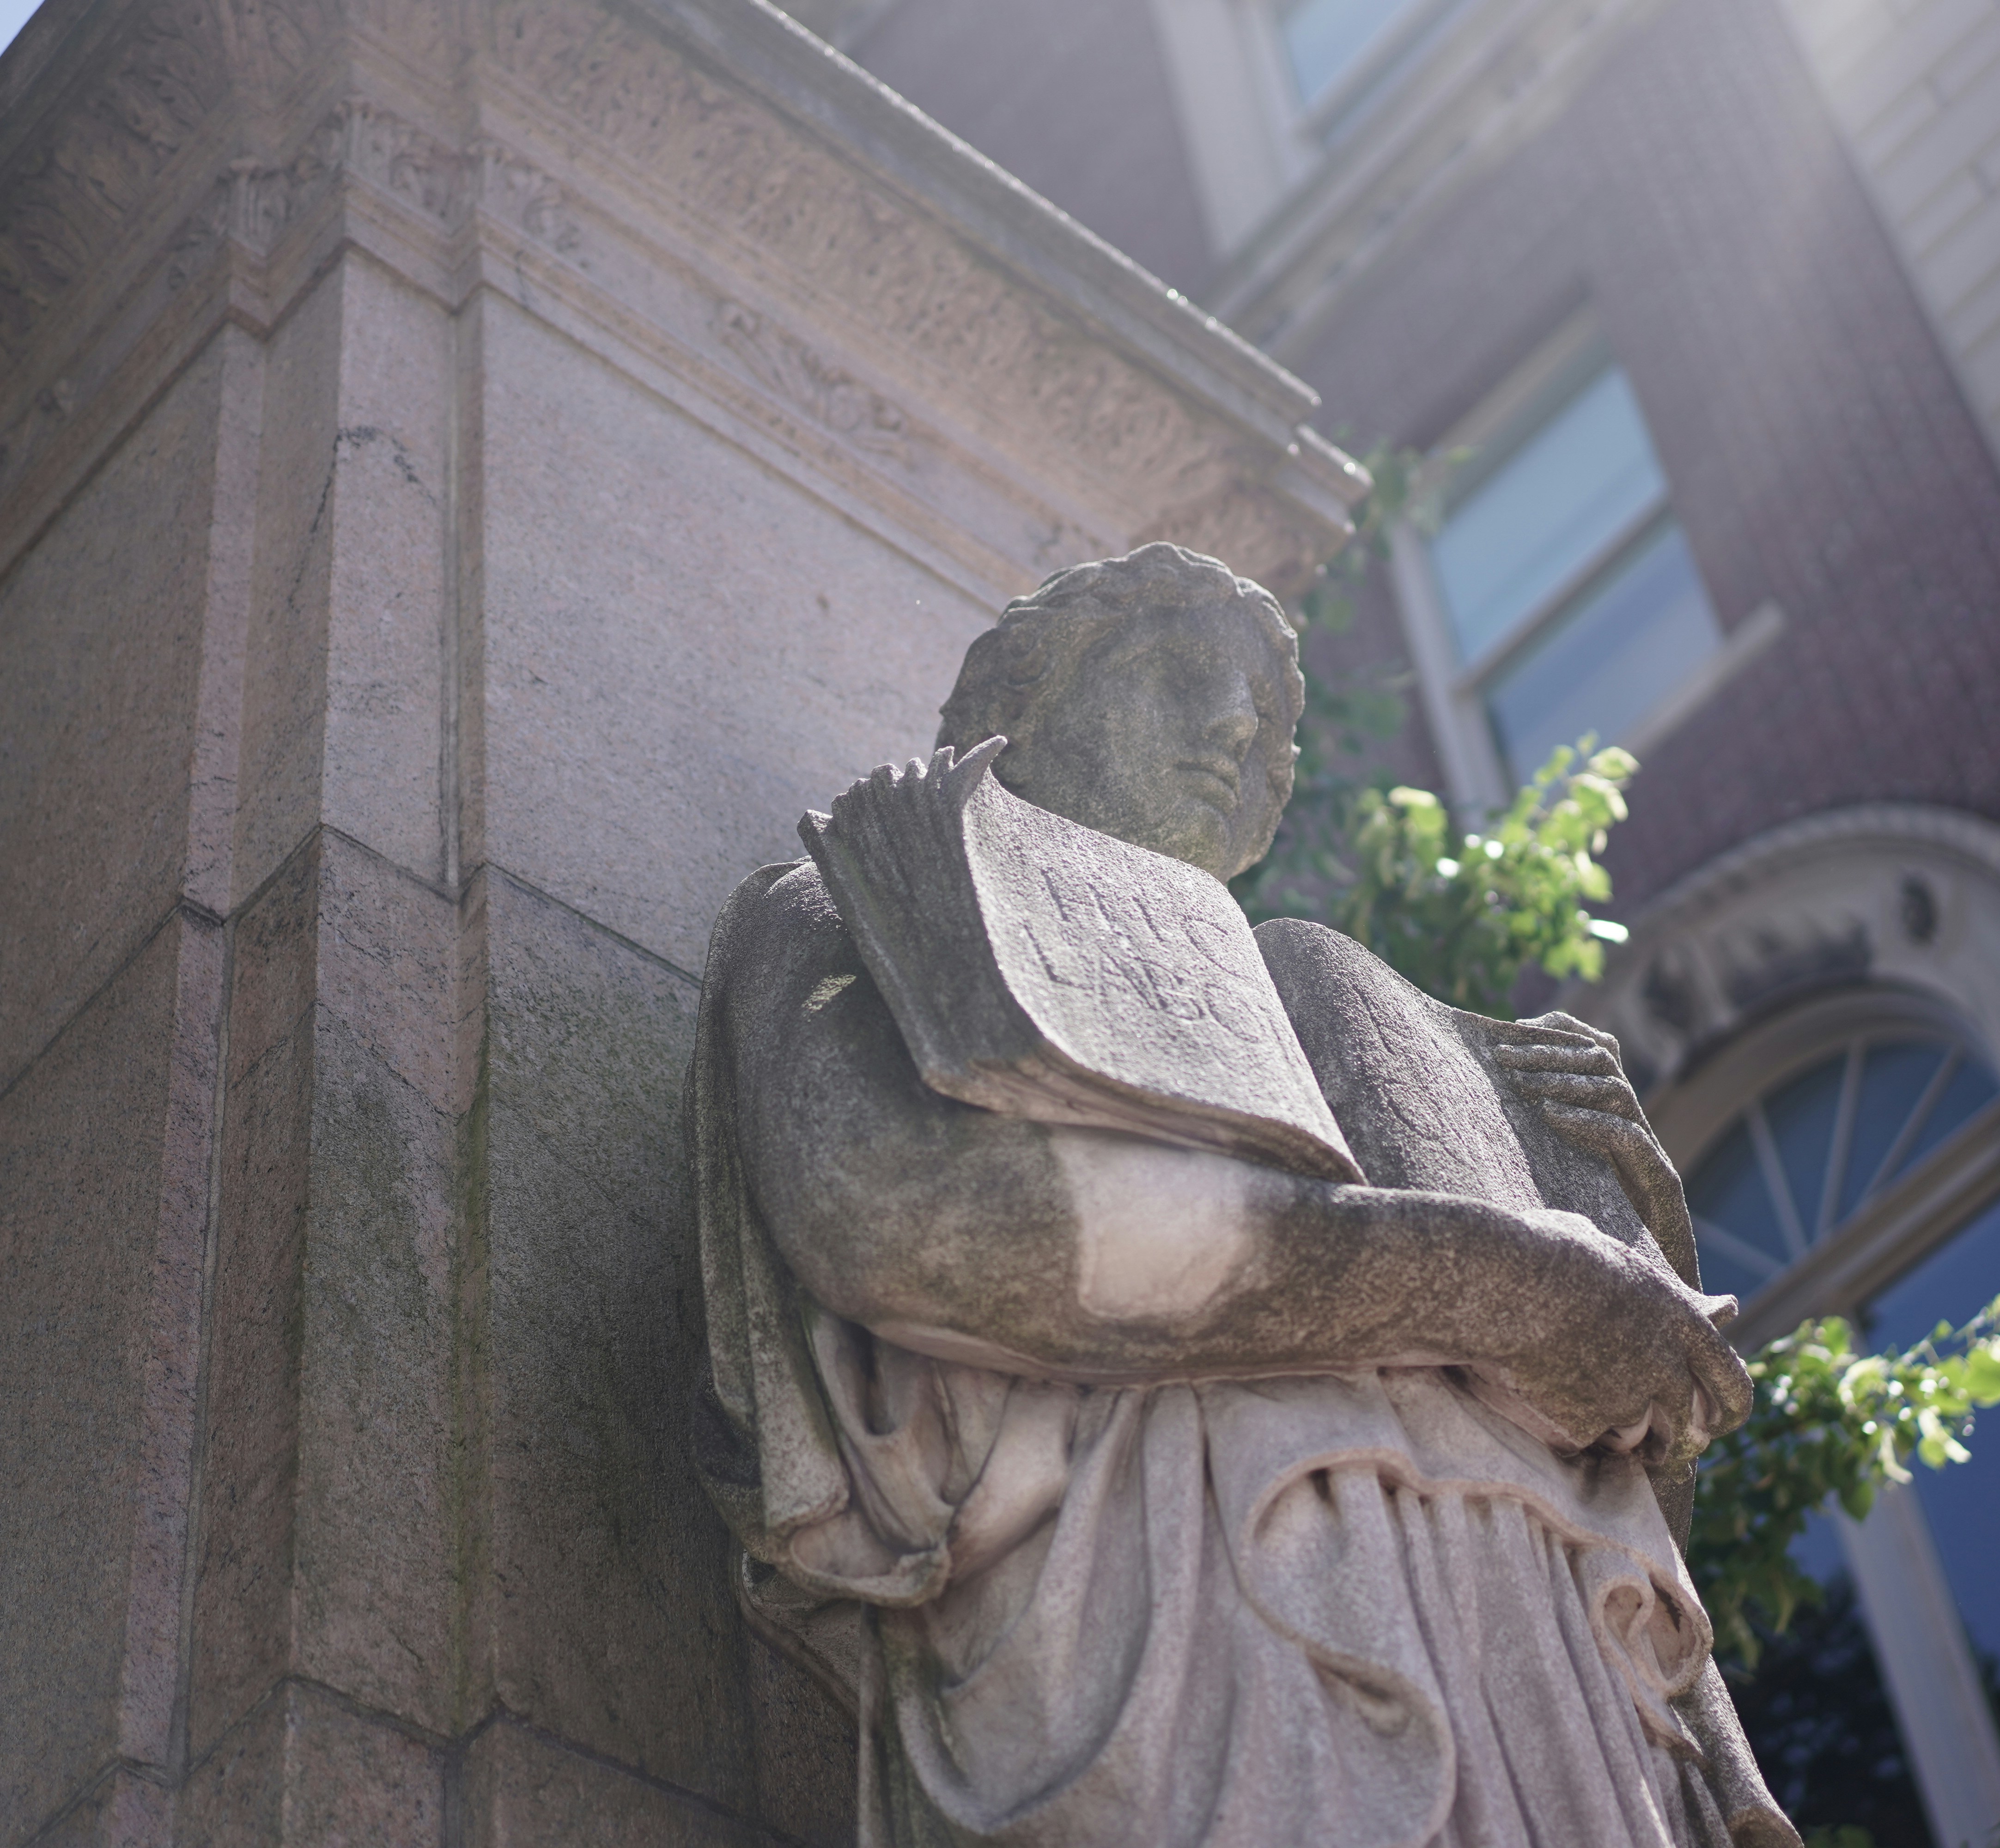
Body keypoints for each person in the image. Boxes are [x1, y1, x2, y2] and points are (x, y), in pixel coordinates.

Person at [684, 544, 1794, 1847]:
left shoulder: (1325, 1005)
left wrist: (1630, 1263)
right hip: (1181, 1646)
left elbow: (1627, 1549)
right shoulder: (868, 905)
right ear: (1019, 708)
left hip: (1528, 1695)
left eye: (1265, 720)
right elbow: (907, 1222)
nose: (1233, 729)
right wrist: (1509, 1280)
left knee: (1320, 968)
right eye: (1173, 674)